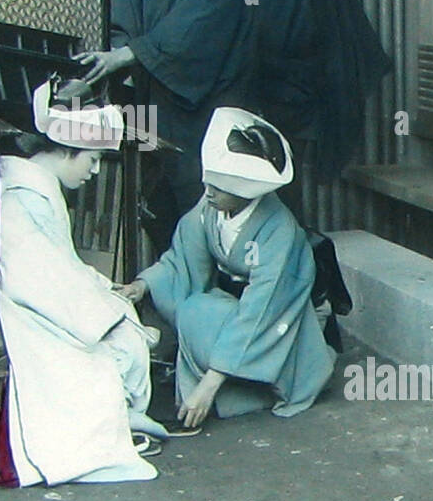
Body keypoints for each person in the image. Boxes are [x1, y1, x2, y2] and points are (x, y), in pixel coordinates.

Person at [118, 108, 337, 428]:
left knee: (207, 317)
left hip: (277, 320)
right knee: (195, 309)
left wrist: (210, 384)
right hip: (232, 308)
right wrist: (142, 285)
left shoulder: (280, 231)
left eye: (217, 189)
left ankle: (240, 389)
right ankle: (227, 386)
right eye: (208, 184)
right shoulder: (211, 208)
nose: (207, 194)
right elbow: (181, 257)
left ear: (245, 189)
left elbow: (262, 309)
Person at [75, 0, 253, 250]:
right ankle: (162, 287)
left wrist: (127, 56)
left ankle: (203, 295)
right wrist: (118, 50)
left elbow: (197, 26)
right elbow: (126, 8)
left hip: (200, 99)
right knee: (153, 196)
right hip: (153, 93)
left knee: (198, 199)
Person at [0, 81, 163, 487]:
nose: (94, 170)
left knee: (123, 321)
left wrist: (104, 291)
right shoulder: (22, 195)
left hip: (51, 296)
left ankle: (122, 416)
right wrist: (106, 314)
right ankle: (115, 424)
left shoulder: (39, 187)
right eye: (92, 158)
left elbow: (61, 268)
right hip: (25, 305)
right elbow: (36, 277)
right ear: (67, 148)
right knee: (109, 346)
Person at [234, 0, 392, 228]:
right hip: (255, 85)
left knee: (291, 175)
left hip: (302, 86)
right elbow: (229, 19)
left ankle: (293, 249)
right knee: (253, 175)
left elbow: (340, 14)